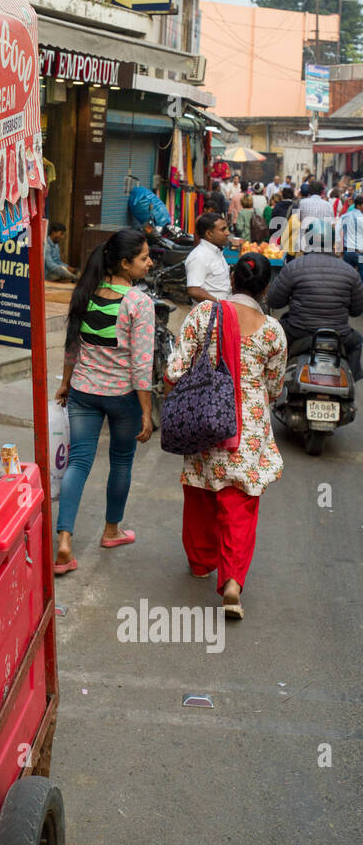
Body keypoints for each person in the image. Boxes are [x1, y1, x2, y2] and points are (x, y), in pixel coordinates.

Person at [165, 254, 285, 620]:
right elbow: (274, 386)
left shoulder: (203, 314)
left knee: (202, 492)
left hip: (205, 419)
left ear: (232, 279)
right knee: (240, 504)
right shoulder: (272, 331)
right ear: (265, 288)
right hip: (246, 428)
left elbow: (175, 369)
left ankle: (201, 562)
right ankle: (232, 582)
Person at [53, 229, 155, 575]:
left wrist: (66, 383)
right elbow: (142, 364)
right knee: (121, 462)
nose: (150, 262)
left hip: (83, 390)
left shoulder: (86, 291)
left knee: (79, 462)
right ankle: (111, 531)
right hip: (122, 396)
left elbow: (72, 347)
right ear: (125, 264)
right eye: (144, 258)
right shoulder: (138, 303)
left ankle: (64, 541)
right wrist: (146, 411)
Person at [267, 238, 363, 378]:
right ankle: (351, 379)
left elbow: (274, 301)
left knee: (273, 334)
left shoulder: (294, 267)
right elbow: (357, 310)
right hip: (339, 335)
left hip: (298, 332)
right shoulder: (350, 272)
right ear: (333, 246)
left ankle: (276, 378)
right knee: (357, 342)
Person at [185, 212, 233, 304]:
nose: (227, 233)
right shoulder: (199, 256)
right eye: (223, 230)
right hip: (211, 313)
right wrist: (220, 303)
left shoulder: (217, 252)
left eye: (226, 228)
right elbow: (194, 290)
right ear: (209, 234)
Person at [298, 180, 335, 253]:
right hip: (322, 241)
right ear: (321, 191)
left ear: (309, 190)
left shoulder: (302, 203)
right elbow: (330, 223)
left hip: (305, 241)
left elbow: (298, 219)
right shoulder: (328, 205)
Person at [337, 192, 363, 281]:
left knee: (347, 277)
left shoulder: (345, 216)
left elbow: (338, 232)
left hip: (348, 253)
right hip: (360, 254)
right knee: (361, 276)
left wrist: (340, 248)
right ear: (359, 206)